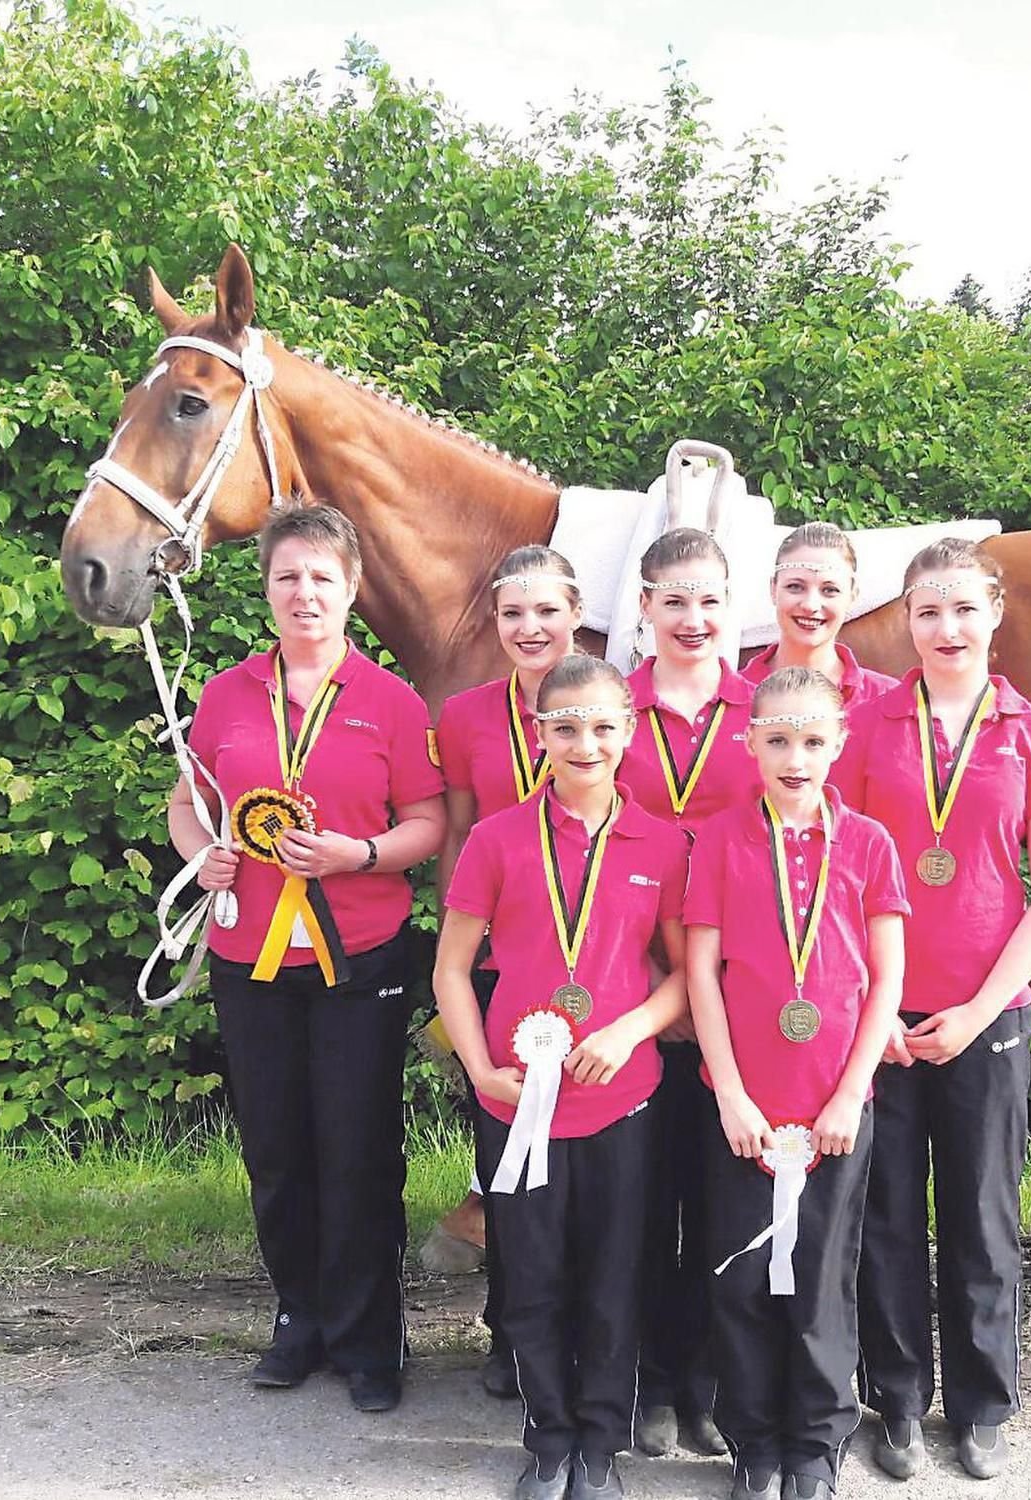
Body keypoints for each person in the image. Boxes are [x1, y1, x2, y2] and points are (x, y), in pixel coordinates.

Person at [170, 505, 446, 1412]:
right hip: (249, 955)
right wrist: (196, 852)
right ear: (267, 590)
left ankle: (372, 1337)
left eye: (322, 577)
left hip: (360, 956)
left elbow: (429, 825)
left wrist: (357, 856)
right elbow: (191, 802)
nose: (305, 593)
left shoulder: (393, 703)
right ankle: (300, 1318)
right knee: (278, 1150)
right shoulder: (225, 695)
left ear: (352, 588)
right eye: (288, 576)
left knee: (359, 1150)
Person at [833, 538, 1031, 1481]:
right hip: (883, 1015)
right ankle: (894, 1402)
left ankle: (981, 1406)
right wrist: (874, 1008)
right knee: (886, 1215)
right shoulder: (864, 727)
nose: (945, 628)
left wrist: (980, 1011)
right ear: (905, 617)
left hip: (990, 1012)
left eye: (963, 609)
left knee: (981, 1217)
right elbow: (844, 876)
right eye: (927, 611)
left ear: (995, 615)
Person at [435, 654, 690, 1500]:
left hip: (623, 1103)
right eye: (567, 726)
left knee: (616, 1276)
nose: (586, 742)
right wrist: (480, 1071)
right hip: (518, 1101)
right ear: (539, 735)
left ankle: (600, 1442)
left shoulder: (663, 842)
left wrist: (629, 1028)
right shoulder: (496, 839)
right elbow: (452, 969)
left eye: (604, 726)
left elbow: (688, 976)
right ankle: (547, 1439)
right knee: (534, 1273)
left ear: (630, 732)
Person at [686, 668, 909, 1500]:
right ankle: (754, 1441)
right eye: (777, 739)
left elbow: (886, 981)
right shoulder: (718, 839)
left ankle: (816, 1445)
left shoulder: (871, 845)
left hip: (834, 1107)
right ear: (748, 742)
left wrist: (851, 1092)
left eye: (813, 741)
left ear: (839, 745)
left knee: (821, 1278)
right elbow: (702, 975)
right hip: (745, 1104)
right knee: (741, 1275)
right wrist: (730, 1094)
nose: (794, 756)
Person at [616, 528, 762, 1459]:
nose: (693, 618)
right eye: (674, 600)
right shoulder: (607, 710)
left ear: (731, 606)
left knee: (719, 1199)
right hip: (625, 988)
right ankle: (646, 1383)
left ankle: (707, 1383)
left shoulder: (764, 711)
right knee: (639, 1197)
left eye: (709, 600)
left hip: (739, 991)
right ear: (643, 608)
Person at [432, 544, 587, 1399]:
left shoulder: (607, 707)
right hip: (500, 967)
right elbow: (457, 834)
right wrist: (461, 950)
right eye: (512, 614)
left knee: (587, 1160)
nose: (530, 629)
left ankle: (597, 1334)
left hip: (592, 967)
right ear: (495, 623)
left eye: (545, 612)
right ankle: (512, 1334)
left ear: (576, 615)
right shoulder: (463, 717)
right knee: (505, 1157)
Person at [740, 522, 899, 715]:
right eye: (795, 587)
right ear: (773, 589)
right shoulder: (729, 698)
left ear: (852, 595)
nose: (810, 605)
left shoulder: (890, 701)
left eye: (829, 590)